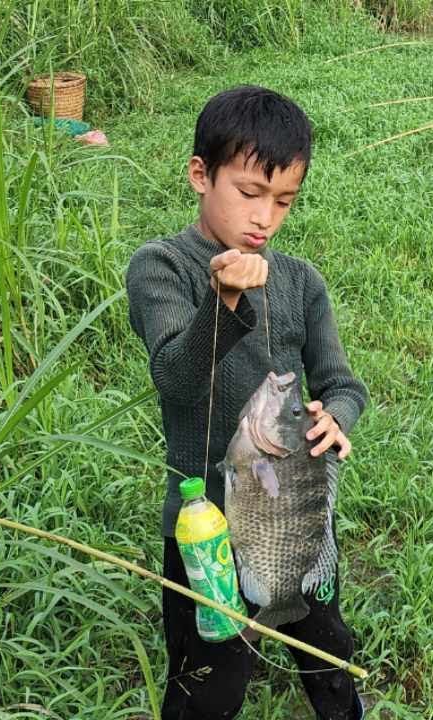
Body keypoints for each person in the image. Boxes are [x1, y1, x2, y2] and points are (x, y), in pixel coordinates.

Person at [125, 85, 368, 720]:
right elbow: (177, 379)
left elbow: (343, 385)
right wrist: (224, 299)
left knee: (326, 643)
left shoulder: (300, 282)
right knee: (210, 678)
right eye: (250, 193)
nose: (265, 218)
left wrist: (336, 419)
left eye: (284, 201)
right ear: (200, 176)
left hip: (297, 521)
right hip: (202, 523)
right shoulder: (162, 267)